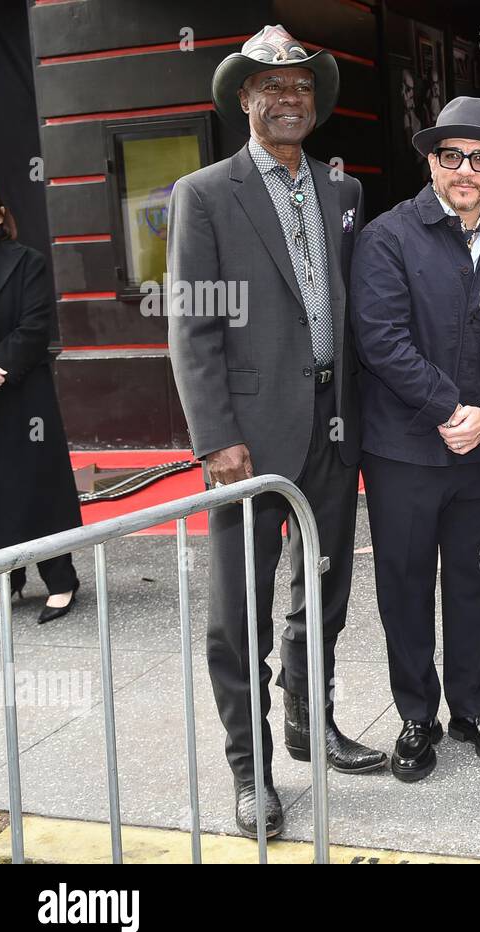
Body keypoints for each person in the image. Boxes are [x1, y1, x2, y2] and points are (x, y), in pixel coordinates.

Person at [167, 25, 386, 840]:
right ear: (244, 100)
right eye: (272, 86)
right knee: (240, 616)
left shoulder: (344, 190)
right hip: (249, 440)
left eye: (301, 87)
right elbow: (191, 328)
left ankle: (310, 724)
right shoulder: (204, 194)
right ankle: (249, 768)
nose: (289, 98)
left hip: (335, 424)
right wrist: (215, 435)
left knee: (322, 596)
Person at [351, 96, 480, 783]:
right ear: (431, 161)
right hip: (404, 453)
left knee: (479, 581)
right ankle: (416, 715)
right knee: (404, 585)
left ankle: (472, 707)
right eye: (451, 155)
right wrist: (450, 409)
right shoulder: (388, 237)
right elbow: (381, 340)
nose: (464, 169)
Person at [0, 175, 82, 624]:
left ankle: (61, 580)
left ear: (0, 213)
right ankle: (1, 581)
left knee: (36, 488)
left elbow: (35, 327)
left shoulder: (27, 262)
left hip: (24, 397)